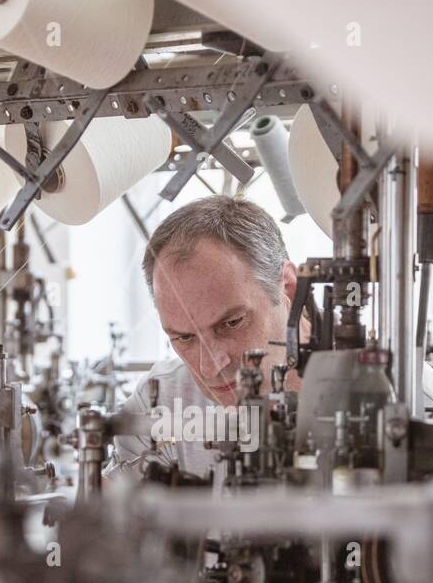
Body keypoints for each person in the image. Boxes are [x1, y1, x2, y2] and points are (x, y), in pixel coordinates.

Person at [110, 195, 303, 479]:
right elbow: (107, 514)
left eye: (232, 323)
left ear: (288, 288)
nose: (211, 367)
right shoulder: (161, 402)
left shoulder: (376, 385)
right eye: (184, 338)